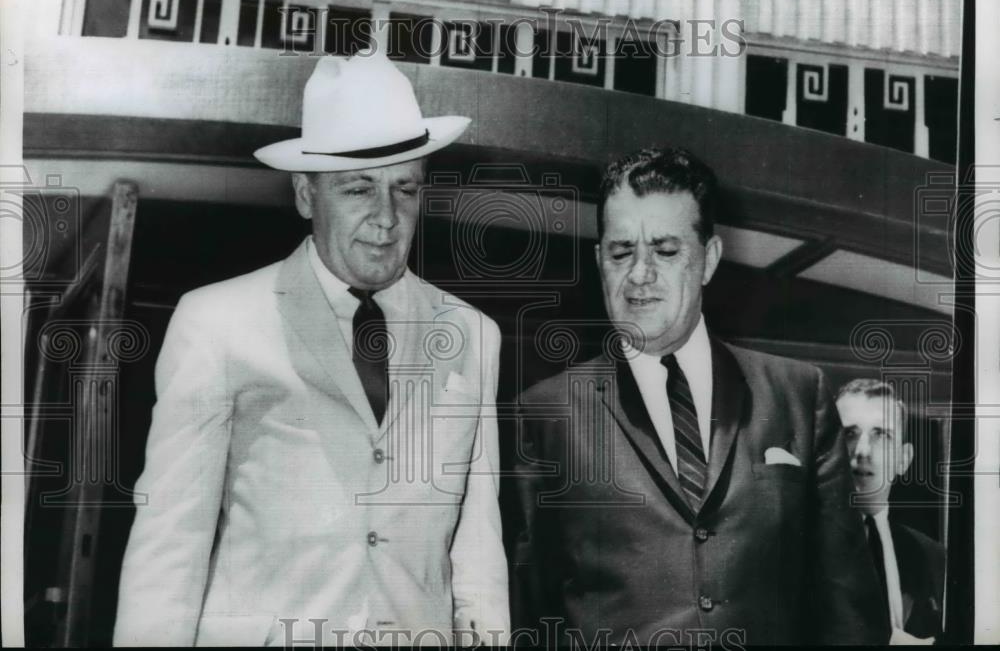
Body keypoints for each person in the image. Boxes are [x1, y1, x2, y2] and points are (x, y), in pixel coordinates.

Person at [114, 53, 509, 647]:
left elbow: (478, 555)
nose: (385, 217)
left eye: (405, 189)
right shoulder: (217, 321)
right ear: (305, 195)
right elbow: (169, 546)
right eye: (359, 189)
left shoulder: (473, 335)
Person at [512, 147, 888, 646]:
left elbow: (848, 611)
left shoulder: (800, 394)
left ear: (709, 259)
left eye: (666, 251)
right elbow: (526, 613)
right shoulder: (545, 414)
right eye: (622, 251)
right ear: (599, 259)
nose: (640, 274)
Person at [836, 379, 946, 644]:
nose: (862, 451)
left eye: (881, 435)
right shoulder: (794, 545)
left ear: (903, 460)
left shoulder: (934, 559)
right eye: (849, 433)